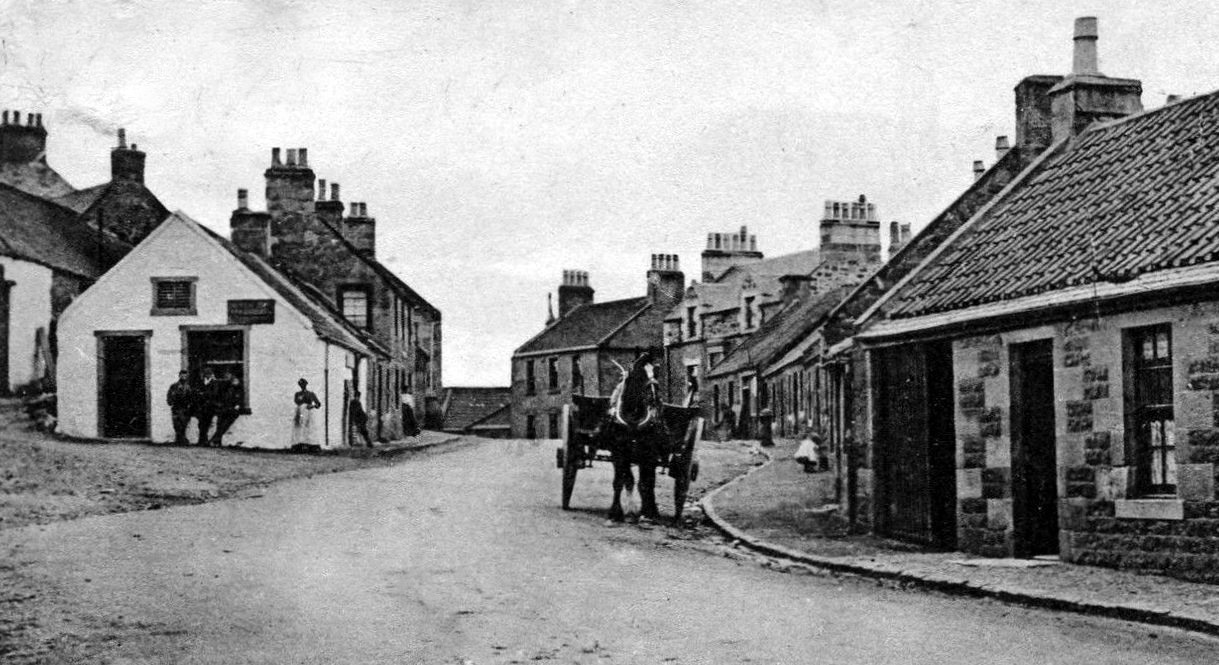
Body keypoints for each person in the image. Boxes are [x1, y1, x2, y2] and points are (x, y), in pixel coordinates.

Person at [209, 373, 243, 447]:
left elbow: (239, 399)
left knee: (224, 425)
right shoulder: (224, 388)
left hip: (232, 410)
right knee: (220, 424)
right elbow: (219, 397)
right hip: (223, 408)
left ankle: (214, 440)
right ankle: (217, 442)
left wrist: (237, 405)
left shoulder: (238, 389)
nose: (234, 382)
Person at [194, 368, 221, 447]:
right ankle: (202, 440)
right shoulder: (201, 382)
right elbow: (197, 392)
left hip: (210, 407)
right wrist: (202, 394)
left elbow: (214, 394)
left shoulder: (214, 383)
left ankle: (203, 440)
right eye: (206, 373)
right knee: (201, 424)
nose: (208, 375)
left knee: (206, 423)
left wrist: (203, 394)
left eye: (209, 373)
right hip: (201, 406)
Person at [166, 370, 194, 445]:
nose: (183, 377)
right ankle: (180, 439)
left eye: (185, 375)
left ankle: (181, 439)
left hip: (185, 408)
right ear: (179, 375)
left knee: (183, 424)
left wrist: (190, 405)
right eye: (182, 375)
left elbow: (191, 397)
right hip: (176, 407)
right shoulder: (174, 386)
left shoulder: (189, 387)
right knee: (176, 424)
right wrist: (170, 401)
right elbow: (169, 395)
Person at [292, 378, 322, 446]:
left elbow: (318, 404)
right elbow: (297, 402)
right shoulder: (297, 394)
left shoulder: (311, 394)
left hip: (309, 412)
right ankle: (299, 443)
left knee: (309, 427)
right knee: (299, 426)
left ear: (306, 385)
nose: (302, 386)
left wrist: (313, 406)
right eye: (301, 384)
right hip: (300, 412)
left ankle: (309, 443)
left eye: (303, 384)